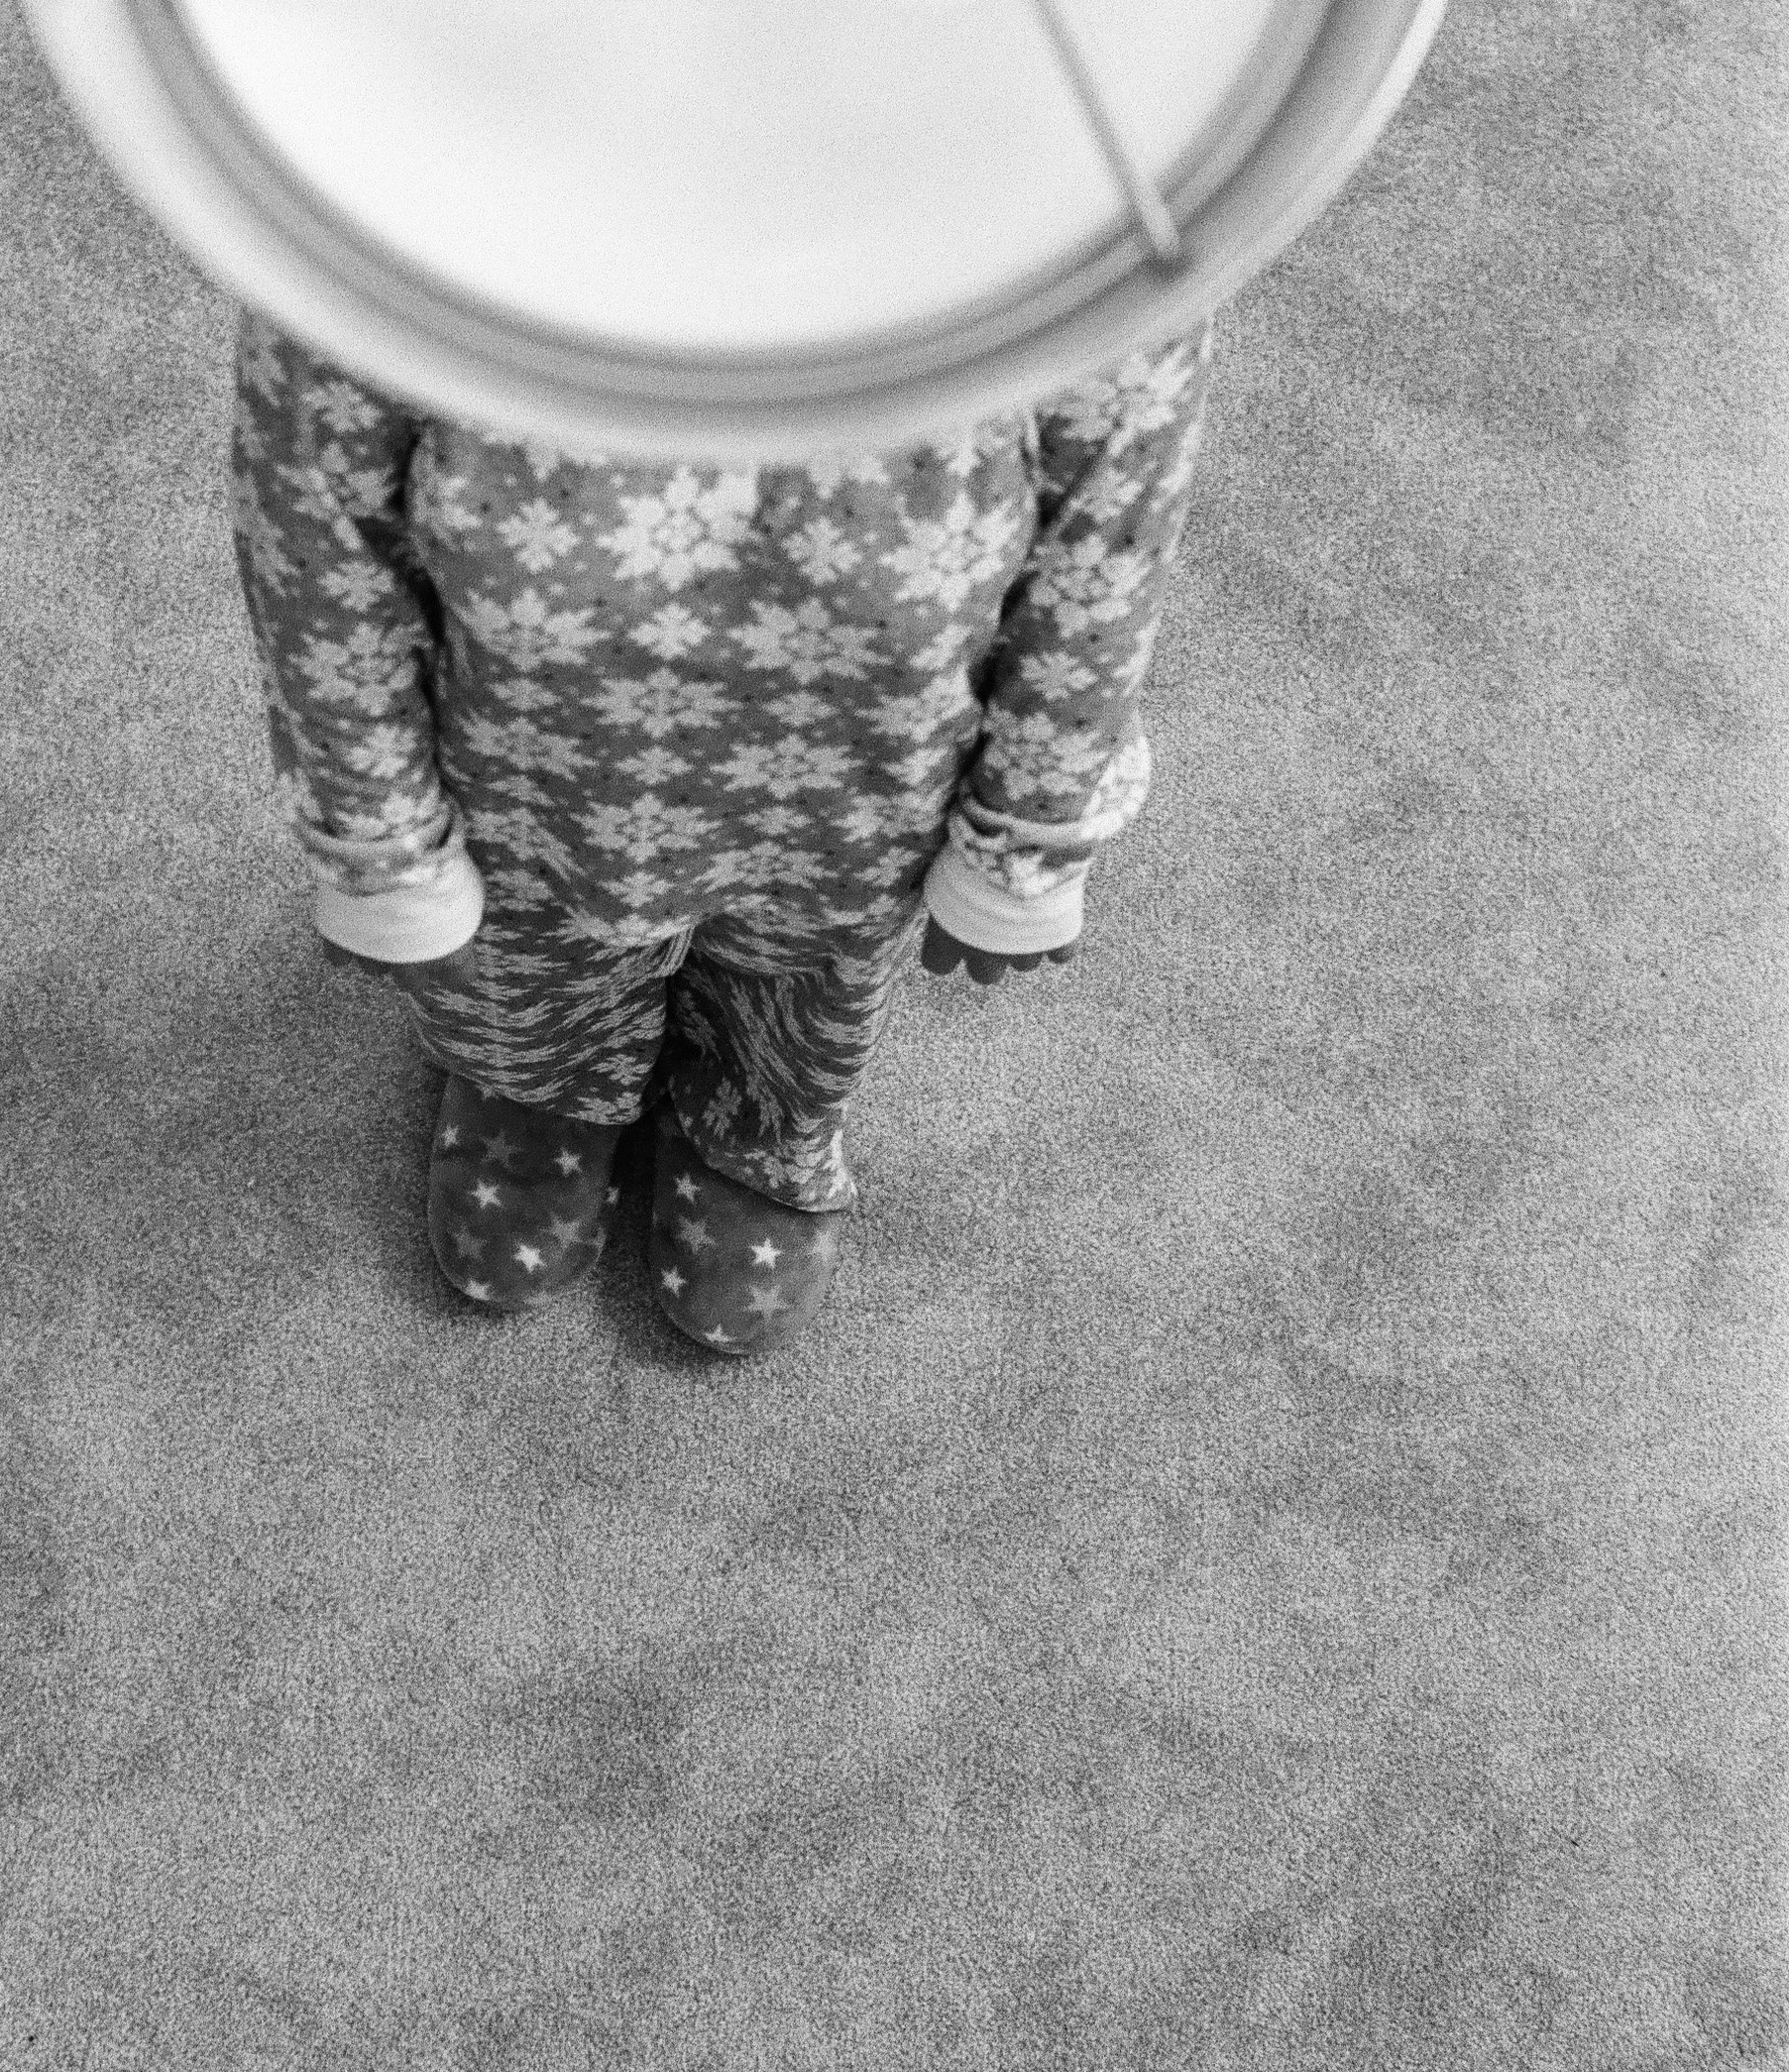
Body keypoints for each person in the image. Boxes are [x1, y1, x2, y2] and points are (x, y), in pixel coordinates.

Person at [228, 306, 1212, 1358]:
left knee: (803, 980)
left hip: (853, 795)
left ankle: (757, 1114)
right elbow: (315, 537)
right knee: (520, 960)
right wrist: (381, 845)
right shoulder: (384, 233)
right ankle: (544, 1084)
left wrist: (1024, 840)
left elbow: (1107, 550)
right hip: (527, 787)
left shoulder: (1074, 248)